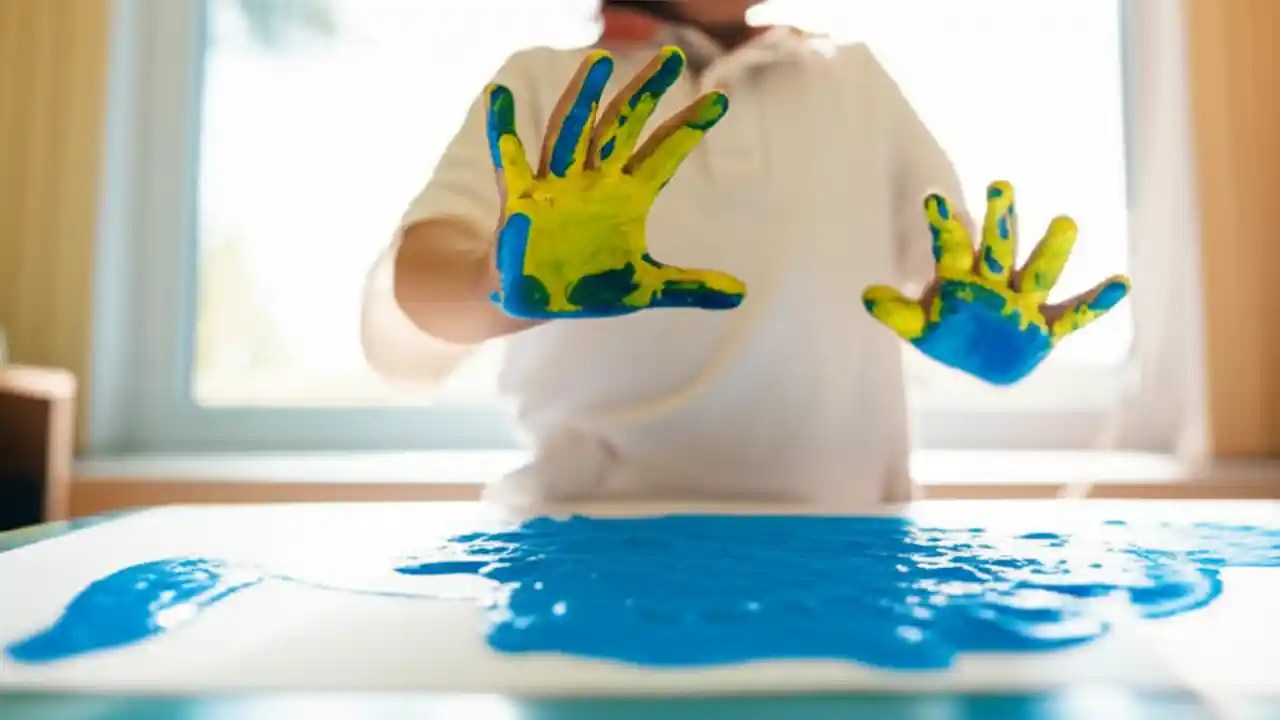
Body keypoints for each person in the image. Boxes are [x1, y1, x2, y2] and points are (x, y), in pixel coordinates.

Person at [361, 0, 1127, 508]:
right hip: (586, 544)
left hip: (850, 546)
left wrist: (971, 321)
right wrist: (494, 283)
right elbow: (420, 292)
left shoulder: (855, 81)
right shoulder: (545, 83)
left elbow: (943, 268)